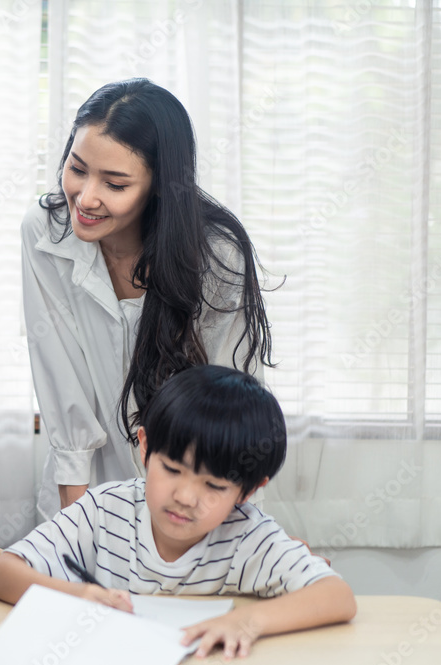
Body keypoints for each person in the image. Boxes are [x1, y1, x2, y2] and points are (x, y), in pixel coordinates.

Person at [23, 78, 273, 520]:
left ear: (159, 186)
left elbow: (229, 408)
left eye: (115, 184)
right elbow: (63, 388)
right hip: (83, 493)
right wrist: (78, 536)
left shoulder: (216, 257)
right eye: (77, 168)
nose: (85, 197)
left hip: (194, 496)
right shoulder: (47, 231)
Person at [0, 365, 356, 660]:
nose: (185, 497)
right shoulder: (103, 511)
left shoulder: (248, 537)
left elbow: (337, 597)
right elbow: (1, 571)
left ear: (247, 491)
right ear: (145, 448)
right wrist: (81, 598)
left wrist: (248, 621)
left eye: (214, 487)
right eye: (171, 470)